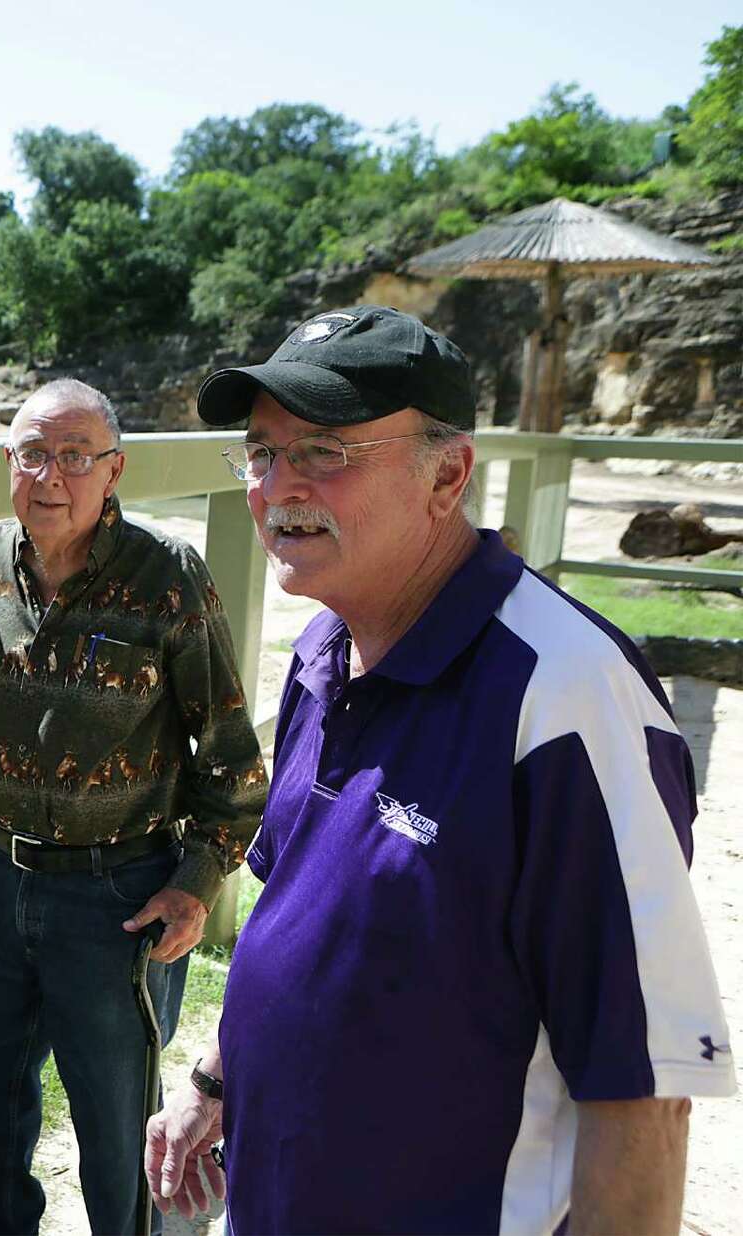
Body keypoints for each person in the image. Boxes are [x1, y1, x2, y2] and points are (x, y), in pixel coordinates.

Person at [145, 306, 737, 1234]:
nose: (276, 487)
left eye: (326, 451)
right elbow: (292, 909)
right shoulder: (324, 648)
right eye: (262, 452)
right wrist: (216, 1080)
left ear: (447, 473)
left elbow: (645, 1090)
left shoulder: (567, 698)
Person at [0, 378, 268, 1235]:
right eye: (33, 454)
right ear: (6, 462)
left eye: (75, 457)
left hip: (117, 897)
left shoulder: (167, 578)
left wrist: (196, 882)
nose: (51, 475)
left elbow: (233, 762)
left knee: (116, 1128)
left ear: (113, 471)